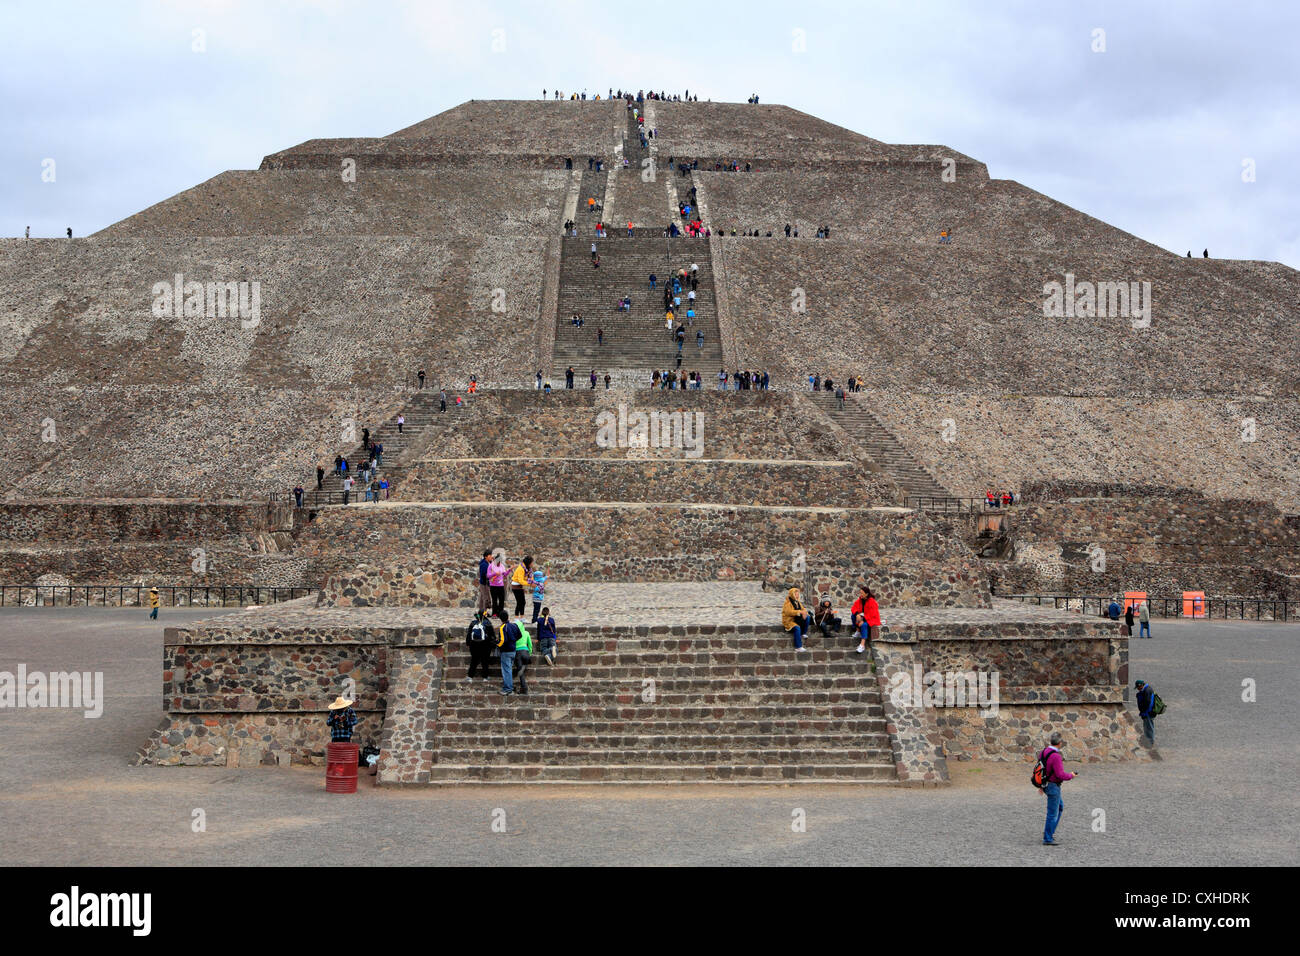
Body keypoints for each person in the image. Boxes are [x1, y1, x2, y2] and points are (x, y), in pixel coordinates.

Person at [1038, 732, 1077, 845]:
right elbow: (1060, 775)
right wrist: (1071, 775)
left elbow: (1040, 769)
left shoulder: (1043, 752)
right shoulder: (1056, 756)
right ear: (1060, 743)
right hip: (1053, 786)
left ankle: (1049, 831)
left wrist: (1041, 785)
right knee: (1052, 813)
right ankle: (1048, 838)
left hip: (1045, 784)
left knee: (1059, 807)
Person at [494, 611, 521, 696]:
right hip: (513, 650)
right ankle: (509, 687)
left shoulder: (503, 627)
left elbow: (503, 640)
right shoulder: (514, 625)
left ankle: (508, 689)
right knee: (509, 670)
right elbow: (519, 635)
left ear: (500, 619)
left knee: (506, 670)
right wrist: (513, 641)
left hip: (506, 652)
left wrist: (497, 644)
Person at [849, 584, 881, 655]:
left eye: (862, 593)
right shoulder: (860, 600)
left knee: (864, 625)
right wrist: (857, 614)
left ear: (866, 594)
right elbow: (853, 608)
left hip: (872, 619)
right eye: (860, 593)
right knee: (853, 615)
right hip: (865, 617)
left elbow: (873, 614)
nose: (860, 594)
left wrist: (863, 620)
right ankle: (858, 631)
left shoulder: (872, 601)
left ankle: (862, 645)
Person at [465, 610, 494, 681]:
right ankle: (485, 677)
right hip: (485, 646)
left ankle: (470, 677)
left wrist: (468, 643)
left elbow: (469, 635)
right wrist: (492, 645)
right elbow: (492, 636)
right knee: (485, 661)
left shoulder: (473, 623)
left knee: (474, 661)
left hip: (474, 646)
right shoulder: (488, 623)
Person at [782, 587, 813, 652]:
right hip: (789, 621)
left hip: (796, 619)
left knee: (807, 617)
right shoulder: (788, 603)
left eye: (797, 594)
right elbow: (789, 612)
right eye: (795, 594)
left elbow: (803, 609)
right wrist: (799, 612)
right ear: (792, 594)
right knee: (797, 628)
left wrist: (805, 613)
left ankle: (803, 633)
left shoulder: (797, 602)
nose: (797, 595)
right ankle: (798, 646)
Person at [513, 619, 533, 695]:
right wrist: (530, 653)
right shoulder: (526, 633)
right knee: (526, 659)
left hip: (517, 653)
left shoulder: (514, 633)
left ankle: (524, 688)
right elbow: (530, 644)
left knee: (521, 673)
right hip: (525, 652)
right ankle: (526, 663)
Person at [1135, 680, 1158, 744]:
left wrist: (1145, 713)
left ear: (1140, 686)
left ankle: (1149, 742)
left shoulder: (1147, 691)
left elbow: (1148, 703)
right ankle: (1148, 740)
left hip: (1148, 713)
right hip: (1148, 713)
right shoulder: (1147, 689)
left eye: (1138, 687)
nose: (1138, 689)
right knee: (1148, 727)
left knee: (1149, 727)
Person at [487, 552, 508, 616]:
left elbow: (504, 574)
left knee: (502, 600)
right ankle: (494, 613)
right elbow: (488, 576)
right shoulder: (491, 566)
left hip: (501, 585)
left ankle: (500, 613)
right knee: (494, 600)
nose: (499, 563)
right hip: (493, 586)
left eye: (499, 562)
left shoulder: (502, 566)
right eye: (498, 562)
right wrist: (495, 573)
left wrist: (509, 570)